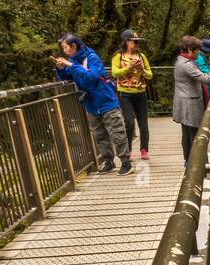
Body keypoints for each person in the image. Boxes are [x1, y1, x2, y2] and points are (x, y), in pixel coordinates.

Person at [53, 32, 131, 176]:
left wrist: (70, 64)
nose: (64, 51)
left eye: (65, 48)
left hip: (106, 100)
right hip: (91, 104)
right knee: (100, 134)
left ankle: (126, 162)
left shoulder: (92, 57)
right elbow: (66, 77)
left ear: (74, 45)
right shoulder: (73, 61)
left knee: (117, 132)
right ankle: (108, 161)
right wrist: (61, 68)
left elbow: (92, 77)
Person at [173, 36, 210, 161]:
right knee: (194, 135)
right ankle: (197, 164)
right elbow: (204, 78)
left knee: (188, 135)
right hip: (189, 105)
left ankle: (190, 161)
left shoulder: (184, 60)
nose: (198, 53)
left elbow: (200, 74)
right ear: (190, 50)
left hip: (188, 103)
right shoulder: (186, 64)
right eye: (196, 50)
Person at [111, 29, 153, 160]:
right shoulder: (118, 56)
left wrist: (142, 70)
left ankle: (144, 149)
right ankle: (128, 150)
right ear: (126, 42)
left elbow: (150, 75)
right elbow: (115, 73)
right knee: (129, 123)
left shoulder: (142, 56)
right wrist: (129, 68)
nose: (136, 43)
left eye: (137, 41)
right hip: (125, 94)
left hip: (140, 93)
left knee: (143, 124)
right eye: (133, 41)